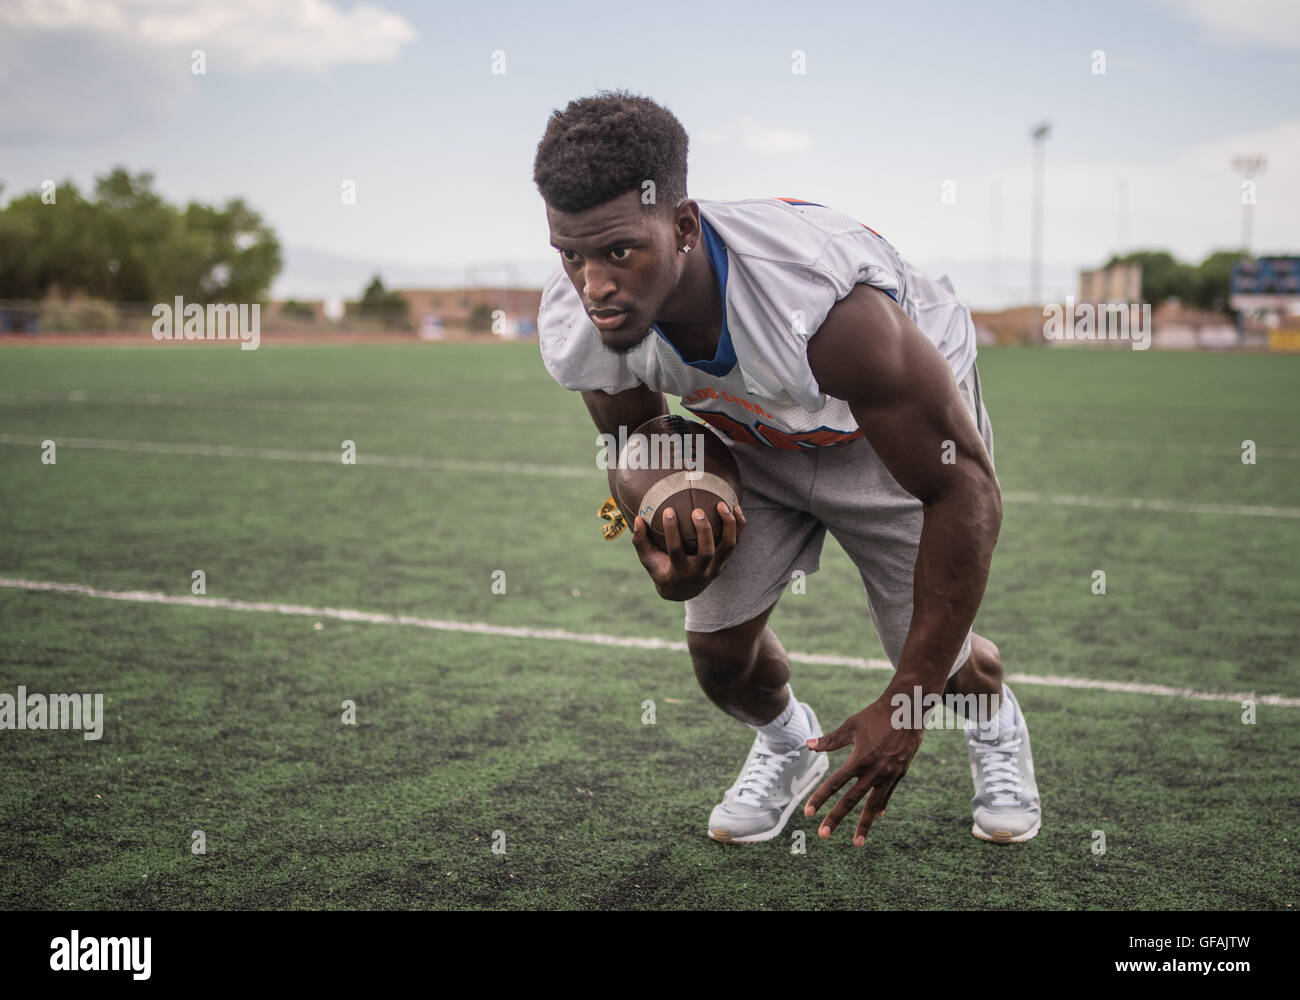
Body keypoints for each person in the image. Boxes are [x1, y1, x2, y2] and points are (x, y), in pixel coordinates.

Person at [532, 90, 1040, 846]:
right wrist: (656, 514)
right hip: (754, 434)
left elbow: (961, 488)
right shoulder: (583, 316)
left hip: (878, 444)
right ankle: (784, 745)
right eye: (571, 254)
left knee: (945, 668)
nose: (594, 285)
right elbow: (635, 439)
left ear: (681, 226)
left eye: (617, 252)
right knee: (719, 660)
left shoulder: (826, 305)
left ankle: (993, 721)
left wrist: (904, 707)